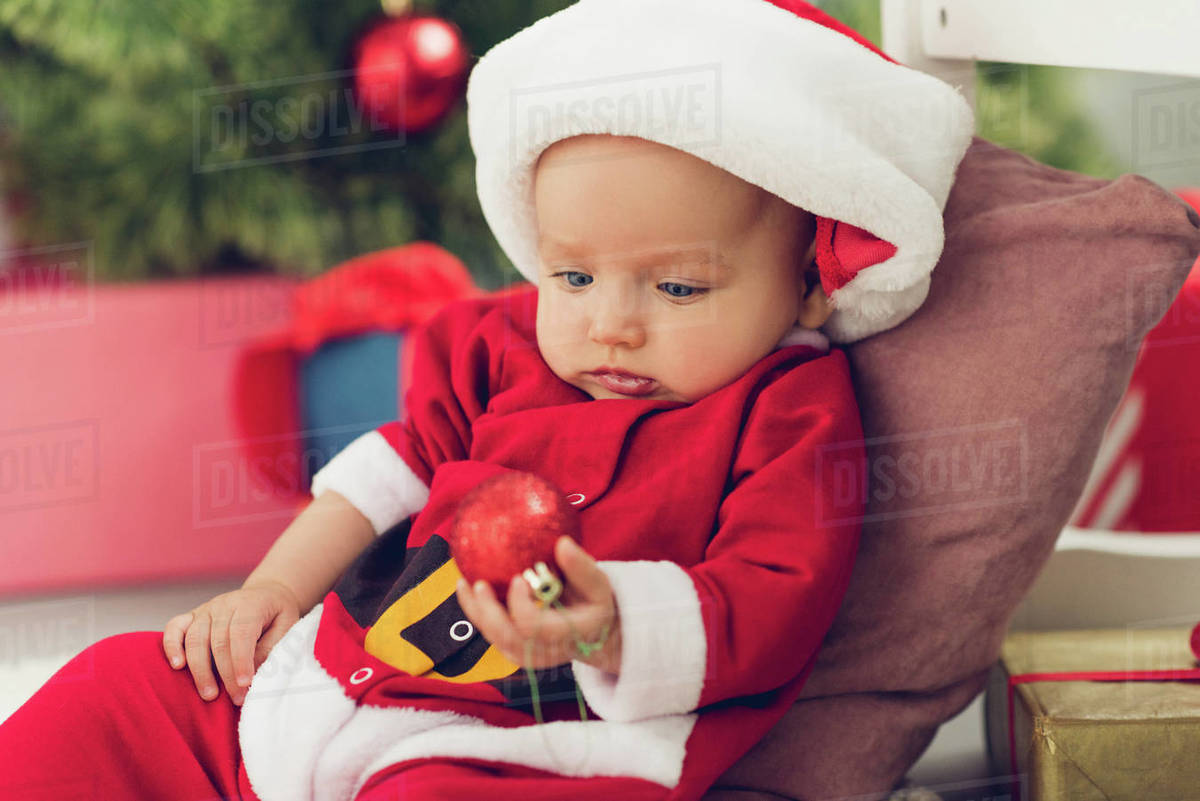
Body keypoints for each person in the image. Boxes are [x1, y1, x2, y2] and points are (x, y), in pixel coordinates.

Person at [0, 1, 974, 800]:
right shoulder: (497, 346)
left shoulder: (790, 411)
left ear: (809, 283)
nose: (611, 327)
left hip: (528, 746)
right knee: (117, 685)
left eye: (679, 288)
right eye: (572, 277)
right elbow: (383, 474)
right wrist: (270, 593)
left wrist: (610, 624)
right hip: (335, 680)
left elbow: (775, 593)